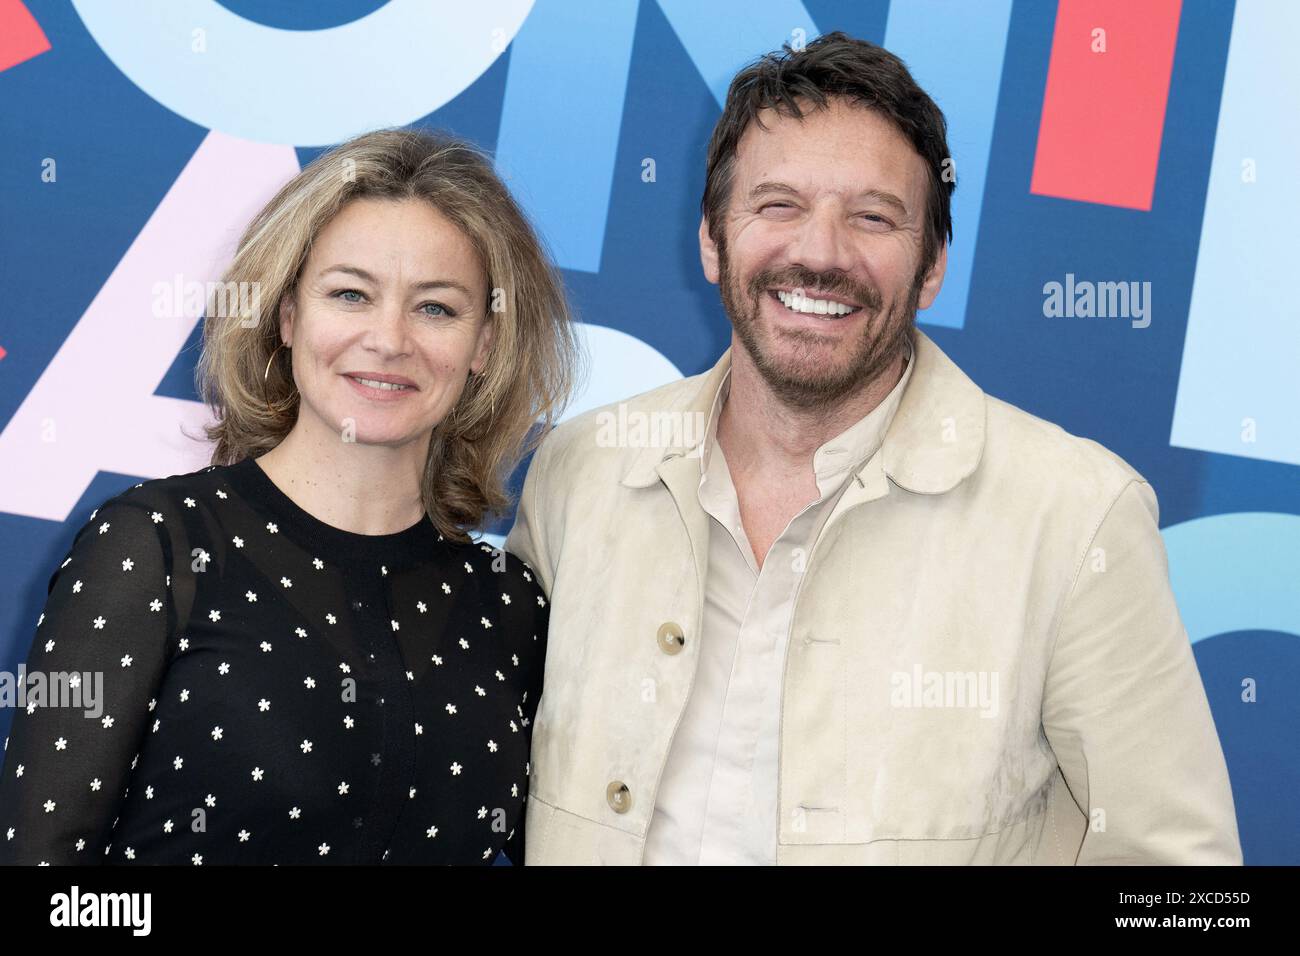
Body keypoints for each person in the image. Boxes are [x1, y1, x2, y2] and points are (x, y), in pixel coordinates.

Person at [506, 33, 1242, 865]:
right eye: (777, 205)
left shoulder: (1074, 519)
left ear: (931, 267)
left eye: (873, 217)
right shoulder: (580, 473)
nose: (819, 253)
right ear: (712, 238)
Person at [0, 128, 578, 865]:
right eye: (350, 294)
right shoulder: (155, 547)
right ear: (287, 315)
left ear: (486, 345)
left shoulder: (508, 604)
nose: (388, 339)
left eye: (436, 308)